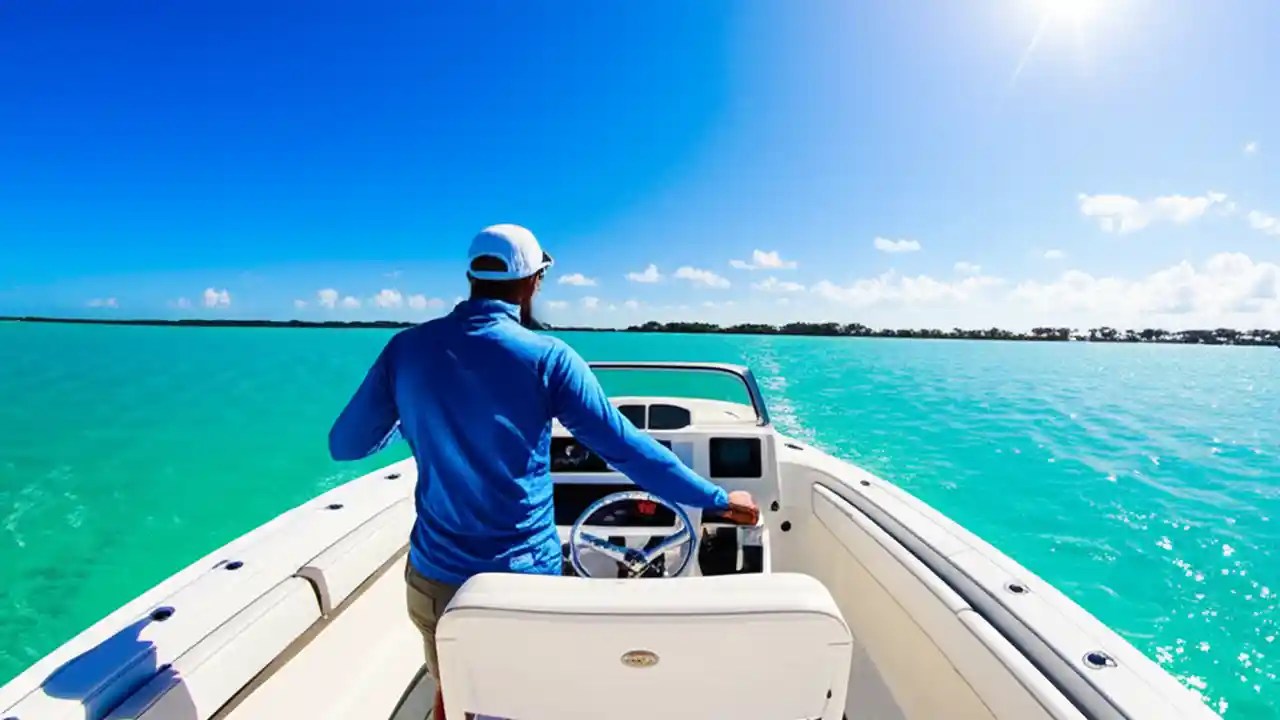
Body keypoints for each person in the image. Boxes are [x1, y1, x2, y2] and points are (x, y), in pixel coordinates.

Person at [328, 224, 758, 719]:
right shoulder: (548, 359)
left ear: (471, 278)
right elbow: (627, 450)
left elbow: (347, 445)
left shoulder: (405, 349)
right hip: (521, 581)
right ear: (533, 282)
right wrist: (717, 499)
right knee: (520, 699)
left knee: (455, 688)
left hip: (435, 578)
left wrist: (413, 418)